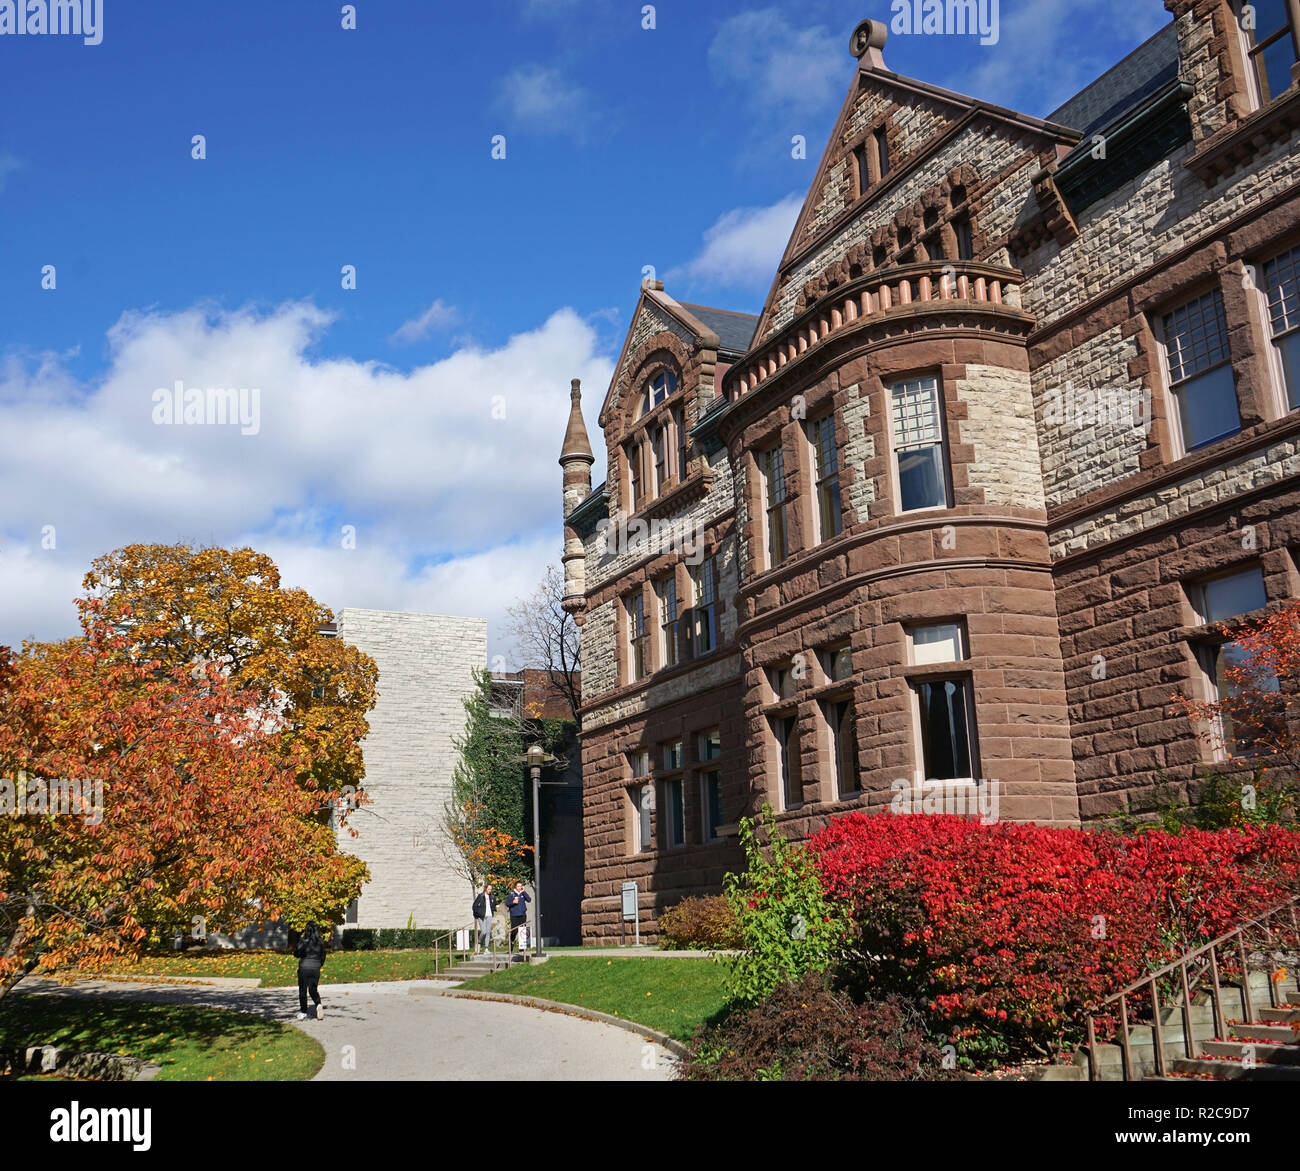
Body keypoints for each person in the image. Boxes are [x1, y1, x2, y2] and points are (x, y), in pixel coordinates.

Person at [294, 922, 327, 1021]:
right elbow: (323, 956)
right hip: (315, 967)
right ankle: (318, 1004)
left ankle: (303, 1012)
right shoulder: (321, 942)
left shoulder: (303, 941)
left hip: (304, 967)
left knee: (303, 990)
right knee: (313, 989)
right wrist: (318, 965)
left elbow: (296, 954)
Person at [471, 882, 497, 953]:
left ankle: (486, 948)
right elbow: (474, 906)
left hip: (489, 916)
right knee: (484, 931)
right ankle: (478, 943)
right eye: (489, 889)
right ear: (485, 889)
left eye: (491, 889)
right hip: (481, 916)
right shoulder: (481, 896)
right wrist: (478, 914)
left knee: (488, 932)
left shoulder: (492, 896)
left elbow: (494, 905)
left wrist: (495, 908)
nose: (490, 890)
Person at [506, 880, 531, 951]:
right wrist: (513, 902)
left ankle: (522, 948)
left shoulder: (523, 893)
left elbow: (529, 900)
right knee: (514, 931)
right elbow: (507, 903)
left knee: (522, 931)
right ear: (515, 887)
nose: (519, 888)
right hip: (514, 915)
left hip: (522, 914)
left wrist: (524, 892)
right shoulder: (512, 894)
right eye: (518, 886)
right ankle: (511, 946)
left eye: (520, 886)